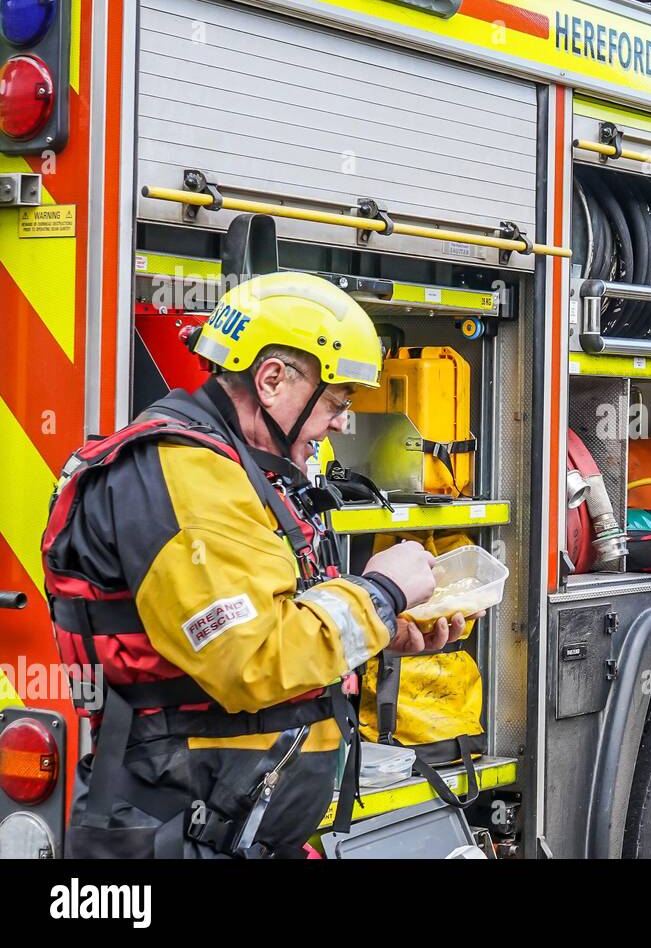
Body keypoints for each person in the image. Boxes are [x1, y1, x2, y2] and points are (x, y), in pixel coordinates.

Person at [43, 272, 472, 858]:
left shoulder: (229, 472)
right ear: (272, 380)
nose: (343, 422)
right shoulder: (186, 476)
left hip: (229, 834)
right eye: (336, 401)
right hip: (177, 838)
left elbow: (275, 614)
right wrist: (380, 592)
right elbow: (250, 658)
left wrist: (380, 631)